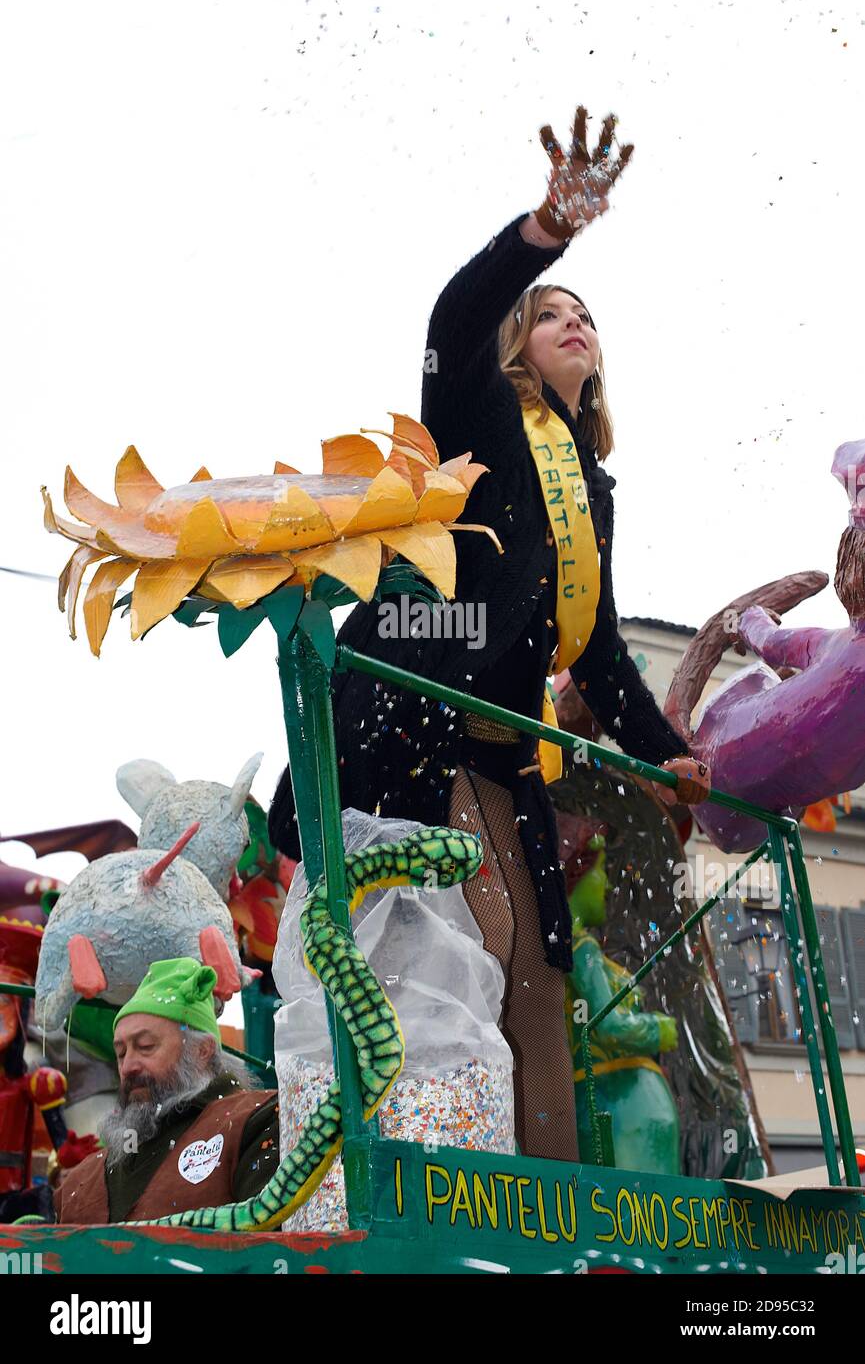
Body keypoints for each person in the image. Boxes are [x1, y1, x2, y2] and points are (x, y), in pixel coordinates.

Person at [270, 104, 710, 1162]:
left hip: (505, 752)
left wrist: (664, 754)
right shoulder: (474, 417)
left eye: (585, 314)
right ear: (520, 340)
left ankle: (545, 1213)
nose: (571, 319)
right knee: (478, 948)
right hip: (410, 731)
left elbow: (594, 644)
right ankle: (442, 1188)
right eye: (549, 309)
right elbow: (452, 318)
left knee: (541, 973)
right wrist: (543, 233)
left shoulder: (591, 491)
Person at [53, 959, 280, 1224]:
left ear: (201, 1050)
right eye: (121, 1053)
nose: (128, 1066)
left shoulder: (256, 1122)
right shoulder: (81, 1180)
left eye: (146, 1046)